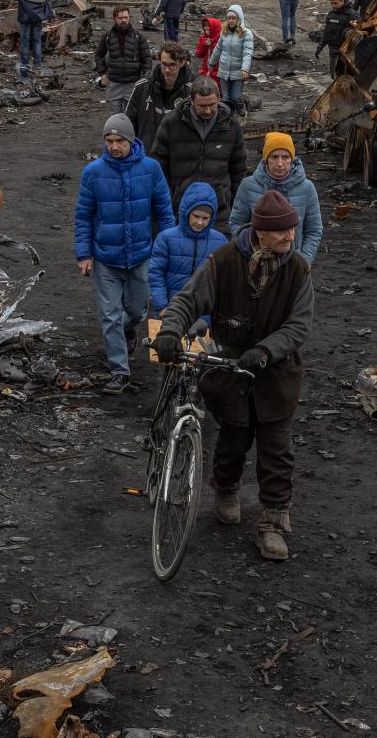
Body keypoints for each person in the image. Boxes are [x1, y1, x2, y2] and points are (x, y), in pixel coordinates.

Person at [155, 189, 313, 561]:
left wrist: (265, 351)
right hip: (229, 373)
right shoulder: (223, 261)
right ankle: (226, 489)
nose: (291, 236)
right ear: (260, 232)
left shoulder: (298, 270)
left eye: (293, 229)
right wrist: (168, 331)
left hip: (277, 376)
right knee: (232, 439)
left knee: (277, 452)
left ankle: (273, 524)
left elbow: (299, 326)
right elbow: (187, 300)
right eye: (283, 231)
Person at [74, 114, 176, 392]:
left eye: (120, 140)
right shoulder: (93, 173)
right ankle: (119, 371)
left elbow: (164, 213)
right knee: (108, 315)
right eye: (109, 141)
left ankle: (126, 330)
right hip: (106, 256)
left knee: (138, 311)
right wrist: (84, 254)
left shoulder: (151, 169)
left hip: (141, 254)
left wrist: (168, 248)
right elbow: (84, 216)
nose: (114, 146)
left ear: (131, 140)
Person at [152, 76, 247, 214]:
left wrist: (233, 205)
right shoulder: (171, 123)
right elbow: (158, 164)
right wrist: (169, 198)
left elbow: (239, 170)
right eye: (202, 106)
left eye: (212, 105)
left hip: (219, 210)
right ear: (191, 101)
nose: (208, 110)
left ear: (219, 99)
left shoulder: (231, 126)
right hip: (180, 208)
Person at [230, 132, 324, 264]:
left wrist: (303, 261)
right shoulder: (248, 186)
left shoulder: (307, 188)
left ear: (292, 159)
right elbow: (236, 224)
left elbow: (314, 230)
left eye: (285, 157)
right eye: (274, 157)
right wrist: (249, 253)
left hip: (292, 264)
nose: (280, 163)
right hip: (255, 262)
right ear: (266, 159)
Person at [149, 181, 227, 319]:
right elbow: (156, 273)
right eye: (196, 216)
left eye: (205, 218)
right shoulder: (166, 238)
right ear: (186, 213)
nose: (200, 222)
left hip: (205, 315)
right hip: (170, 311)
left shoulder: (220, 242)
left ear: (212, 218)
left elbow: (224, 280)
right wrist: (162, 306)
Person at [129, 42, 195, 147]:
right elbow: (129, 122)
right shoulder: (142, 87)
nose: (167, 70)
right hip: (146, 155)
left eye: (172, 65)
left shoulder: (191, 92)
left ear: (182, 63)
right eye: (164, 64)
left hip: (176, 157)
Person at [94, 6, 151, 113]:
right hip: (114, 84)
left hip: (133, 84)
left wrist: (146, 77)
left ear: (129, 18)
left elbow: (146, 58)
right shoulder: (107, 37)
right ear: (115, 19)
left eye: (126, 17)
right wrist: (102, 73)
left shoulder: (138, 37)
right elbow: (98, 55)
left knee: (130, 118)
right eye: (120, 18)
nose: (124, 20)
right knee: (115, 118)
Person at [8, 0, 53, 82]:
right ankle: (37, 64)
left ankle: (24, 63)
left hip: (25, 19)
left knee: (25, 42)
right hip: (37, 19)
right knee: (37, 41)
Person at [213, 5, 256, 114]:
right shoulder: (224, 32)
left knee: (235, 97)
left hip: (238, 71)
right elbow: (218, 48)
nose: (231, 20)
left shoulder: (246, 34)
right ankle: (228, 119)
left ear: (239, 19)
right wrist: (212, 62)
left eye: (233, 18)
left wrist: (245, 69)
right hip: (223, 70)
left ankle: (242, 108)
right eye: (229, 18)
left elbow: (247, 52)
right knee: (226, 98)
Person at [315, 0, 356, 77]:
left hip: (346, 52)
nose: (333, 6)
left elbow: (360, 34)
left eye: (335, 3)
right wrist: (319, 47)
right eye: (331, 3)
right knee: (334, 75)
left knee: (347, 75)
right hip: (333, 51)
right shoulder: (330, 15)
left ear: (342, 0)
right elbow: (326, 33)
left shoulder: (352, 15)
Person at [195, 14, 223, 84]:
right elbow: (198, 54)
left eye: (208, 27)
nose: (206, 29)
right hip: (204, 71)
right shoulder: (203, 38)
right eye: (205, 27)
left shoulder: (221, 40)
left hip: (217, 73)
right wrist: (205, 45)